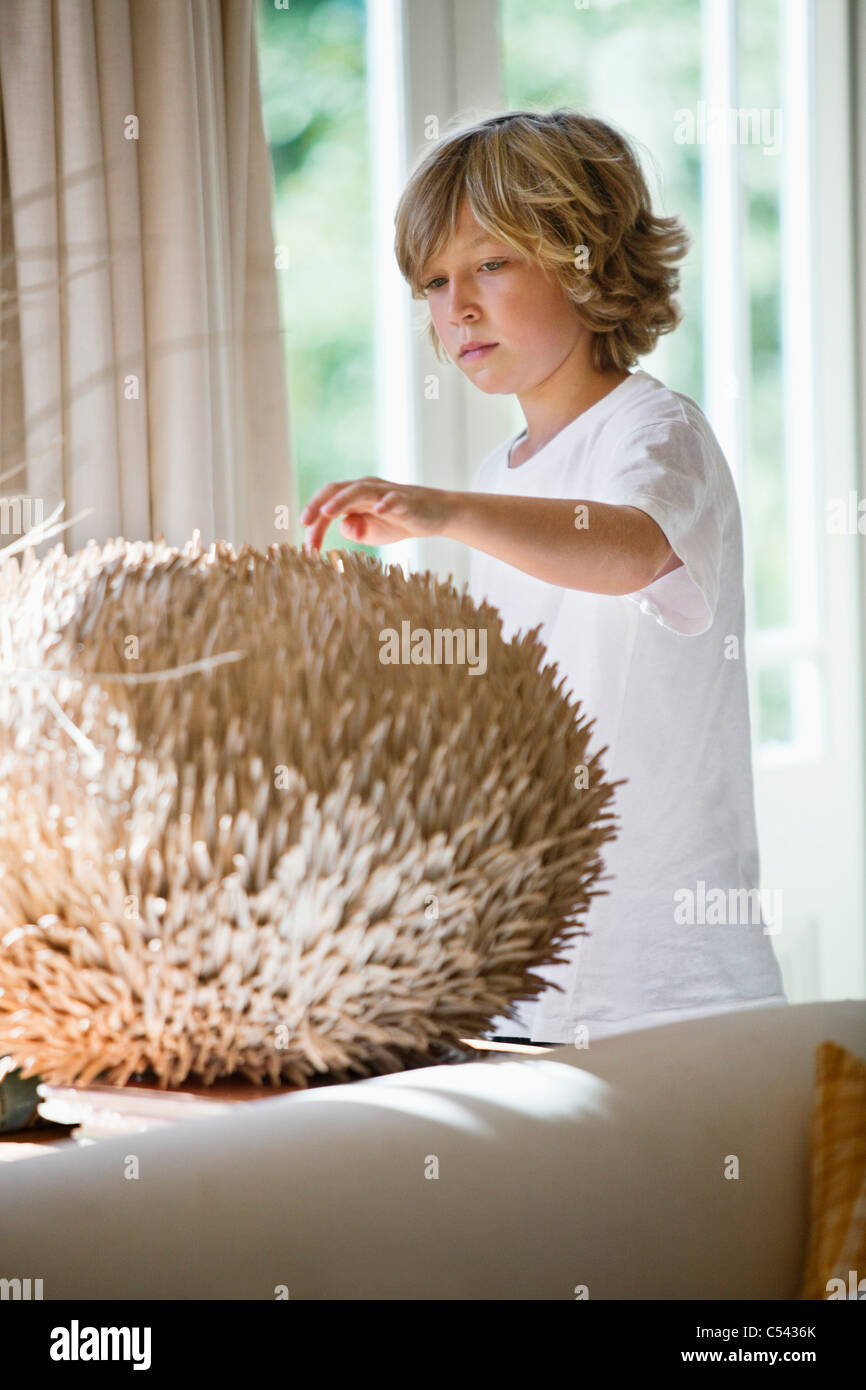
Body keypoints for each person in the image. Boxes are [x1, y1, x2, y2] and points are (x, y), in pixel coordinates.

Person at [301, 108, 787, 1045]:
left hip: (669, 977)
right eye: (434, 283)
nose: (457, 308)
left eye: (490, 263)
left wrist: (443, 512)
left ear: (584, 258)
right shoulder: (502, 476)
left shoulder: (657, 431)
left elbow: (627, 549)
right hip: (539, 967)